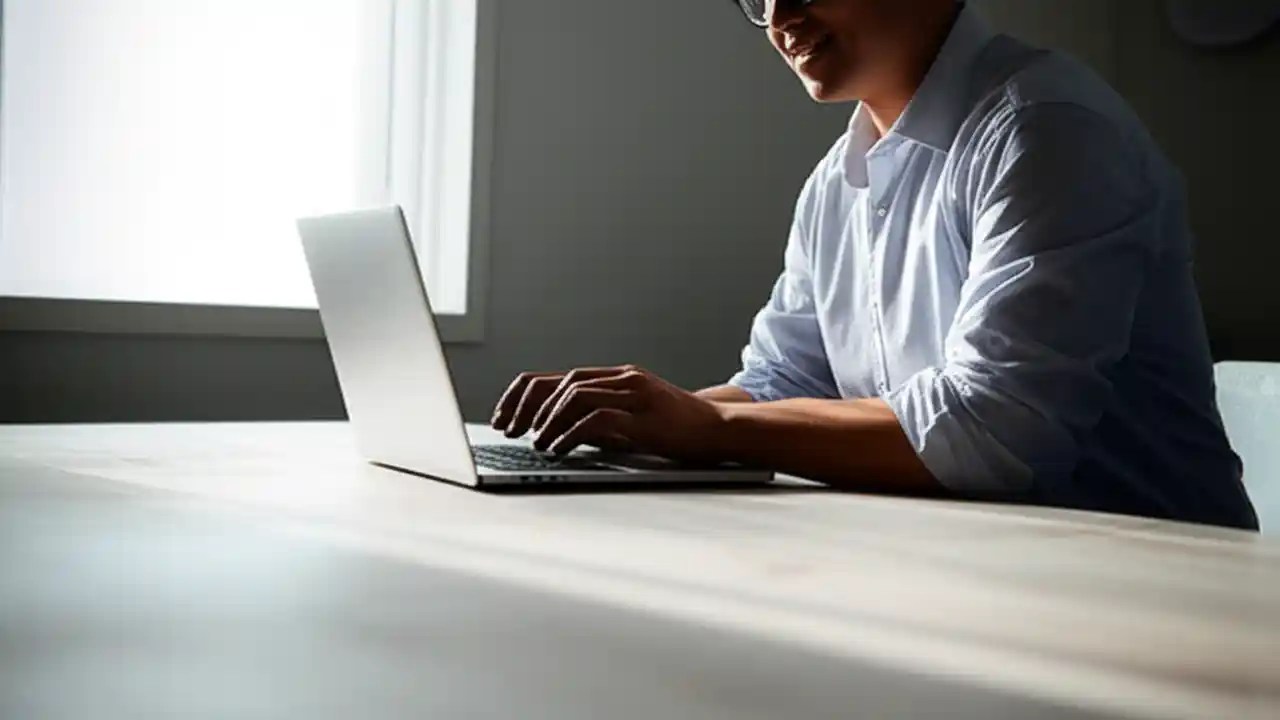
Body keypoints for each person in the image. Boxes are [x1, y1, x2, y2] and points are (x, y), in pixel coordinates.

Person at [490, 0, 1259, 530]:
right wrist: (636, 423)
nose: (780, 16)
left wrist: (709, 425)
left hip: (1162, 592)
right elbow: (783, 384)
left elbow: (995, 431)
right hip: (976, 568)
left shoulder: (1048, 131)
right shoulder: (838, 180)